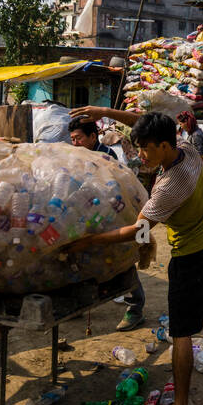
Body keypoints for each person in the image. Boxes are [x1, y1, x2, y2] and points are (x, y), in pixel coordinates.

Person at [64, 106, 203, 405]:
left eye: (146, 149)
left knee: (181, 332)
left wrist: (89, 241)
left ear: (163, 146)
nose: (141, 155)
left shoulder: (169, 186)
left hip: (191, 256)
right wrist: (103, 111)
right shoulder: (186, 148)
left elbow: (140, 230)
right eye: (138, 147)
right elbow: (145, 124)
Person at [68, 115, 149, 331]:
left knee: (122, 261)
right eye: (72, 139)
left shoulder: (107, 157)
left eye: (78, 139)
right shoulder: (76, 156)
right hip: (87, 217)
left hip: (111, 217)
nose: (74, 143)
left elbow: (113, 190)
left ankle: (135, 308)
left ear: (93, 136)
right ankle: (78, 304)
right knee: (83, 260)